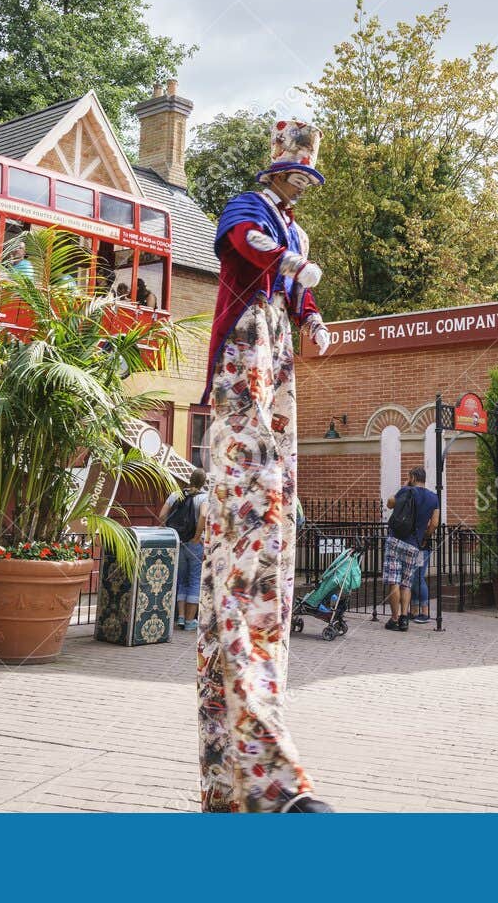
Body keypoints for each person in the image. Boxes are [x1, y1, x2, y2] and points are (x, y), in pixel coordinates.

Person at [197, 118, 332, 814]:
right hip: (247, 329)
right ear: (276, 173)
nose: (297, 187)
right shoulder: (249, 209)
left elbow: (300, 292)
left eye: (305, 179)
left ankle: (235, 790)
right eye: (292, 176)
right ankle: (268, 786)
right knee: (251, 417)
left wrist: (311, 317)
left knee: (276, 423)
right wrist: (284, 265)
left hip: (278, 337)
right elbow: (242, 248)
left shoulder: (298, 232)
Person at [384, 467, 439, 632]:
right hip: (414, 544)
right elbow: (434, 523)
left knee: (393, 580)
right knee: (406, 582)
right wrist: (424, 537)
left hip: (395, 540)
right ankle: (404, 619)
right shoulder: (433, 498)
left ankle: (394, 619)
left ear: (413, 477)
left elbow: (389, 503)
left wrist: (404, 486)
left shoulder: (406, 490)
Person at [161, 469, 208, 631]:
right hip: (195, 544)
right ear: (204, 482)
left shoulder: (176, 495)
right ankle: (189, 621)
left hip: (178, 541)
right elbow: (203, 515)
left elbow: (162, 515)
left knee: (181, 579)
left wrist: (170, 532)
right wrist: (197, 535)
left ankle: (180, 617)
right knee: (195, 579)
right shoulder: (203, 497)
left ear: (189, 479)